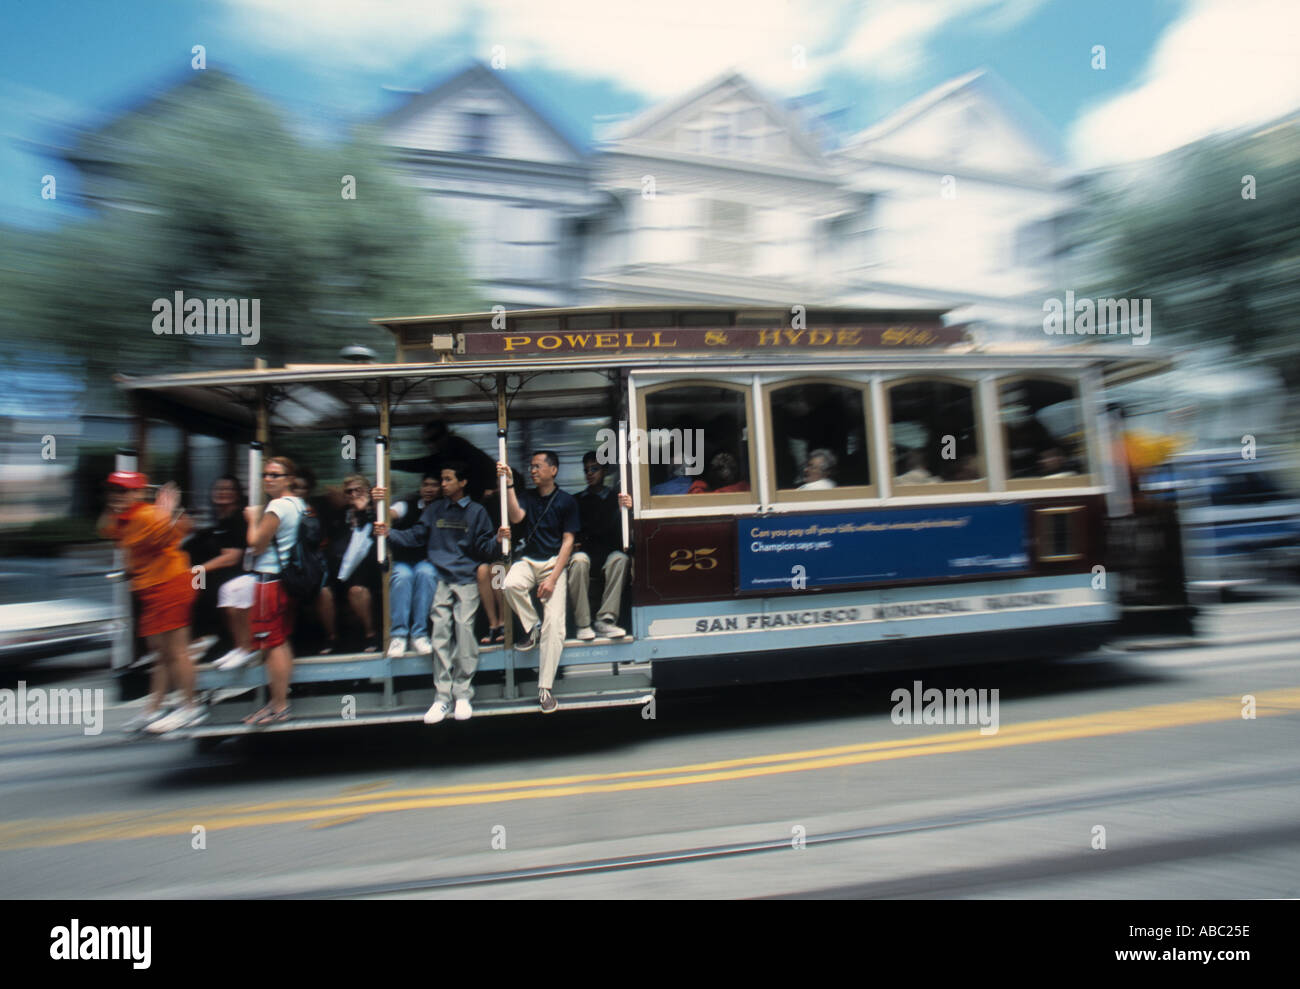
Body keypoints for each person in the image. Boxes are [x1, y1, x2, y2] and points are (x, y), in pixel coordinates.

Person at [375, 461, 497, 723]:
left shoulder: (476, 512)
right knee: (440, 633)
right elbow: (416, 536)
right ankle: (442, 697)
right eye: (441, 479)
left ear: (462, 483)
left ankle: (462, 694)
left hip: (465, 577)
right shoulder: (434, 510)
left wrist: (499, 540)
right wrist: (389, 534)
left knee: (464, 630)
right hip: (441, 577)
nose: (442, 484)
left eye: (447, 479)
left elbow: (484, 547)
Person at [101, 472, 205, 734]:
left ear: (138, 494)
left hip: (170, 585)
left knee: (177, 651)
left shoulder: (145, 516)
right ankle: (154, 709)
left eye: (125, 491)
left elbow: (177, 529)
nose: (118, 496)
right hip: (152, 589)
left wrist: (170, 513)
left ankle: (191, 708)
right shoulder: (125, 517)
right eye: (114, 491)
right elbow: (105, 529)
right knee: (161, 654)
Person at [497, 451, 581, 713]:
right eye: (530, 467)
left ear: (553, 470)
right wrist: (508, 484)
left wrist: (554, 579)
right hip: (528, 560)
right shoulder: (528, 497)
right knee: (508, 583)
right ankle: (532, 625)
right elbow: (516, 517)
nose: (533, 471)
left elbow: (568, 541)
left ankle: (545, 689)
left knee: (555, 625)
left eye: (537, 466)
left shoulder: (567, 501)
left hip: (553, 565)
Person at [242, 455, 304, 725]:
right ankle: (278, 701)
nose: (268, 479)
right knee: (281, 640)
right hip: (286, 580)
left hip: (269, 581)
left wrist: (251, 519)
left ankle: (279, 706)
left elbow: (256, 544)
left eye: (275, 475)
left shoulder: (277, 507)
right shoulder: (298, 504)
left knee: (272, 643)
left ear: (289, 479)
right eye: (265, 474)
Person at [567, 452, 633, 640]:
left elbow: (623, 532)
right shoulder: (576, 500)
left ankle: (605, 620)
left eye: (594, 469)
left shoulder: (617, 498)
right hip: (586, 554)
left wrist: (628, 509)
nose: (589, 473)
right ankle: (583, 623)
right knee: (578, 561)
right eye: (586, 470)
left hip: (609, 553)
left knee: (621, 559)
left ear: (604, 471)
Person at [384, 473, 441, 657]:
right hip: (404, 561)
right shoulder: (408, 504)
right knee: (402, 577)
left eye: (434, 485)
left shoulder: (444, 509)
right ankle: (399, 635)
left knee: (425, 574)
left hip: (428, 562)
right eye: (426, 484)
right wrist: (380, 504)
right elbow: (391, 513)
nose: (429, 489)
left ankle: (419, 634)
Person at [326, 473, 382, 652]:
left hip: (367, 569)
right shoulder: (340, 515)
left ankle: (370, 635)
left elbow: (373, 541)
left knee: (357, 590)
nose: (354, 494)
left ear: (368, 491)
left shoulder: (376, 513)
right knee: (323, 592)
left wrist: (364, 511)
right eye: (349, 492)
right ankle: (332, 638)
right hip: (339, 568)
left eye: (359, 490)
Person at [391, 420, 498, 501]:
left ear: (445, 436)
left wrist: (392, 464)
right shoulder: (452, 449)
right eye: (426, 441)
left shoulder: (455, 448)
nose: (430, 445)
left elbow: (425, 464)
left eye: (433, 439)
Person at [476, 467, 524, 645]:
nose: (497, 489)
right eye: (497, 485)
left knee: (497, 570)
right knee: (482, 570)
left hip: (516, 559)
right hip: (496, 556)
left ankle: (504, 622)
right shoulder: (490, 506)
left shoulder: (519, 506)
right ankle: (493, 623)